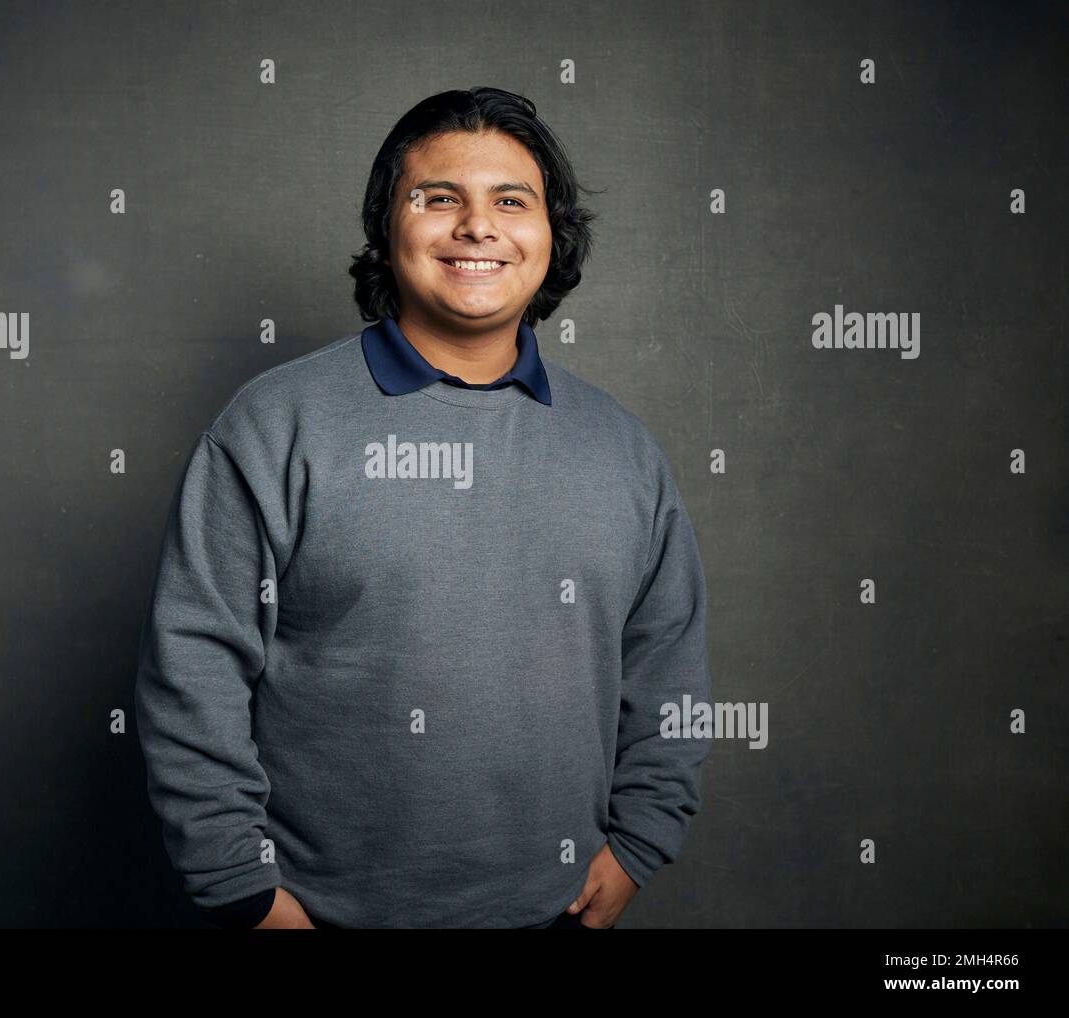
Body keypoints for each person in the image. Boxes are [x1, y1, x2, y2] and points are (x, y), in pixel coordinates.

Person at [134, 86, 713, 930]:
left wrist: (640, 842)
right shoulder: (272, 425)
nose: (478, 226)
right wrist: (241, 888)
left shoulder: (620, 447)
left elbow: (669, 664)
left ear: (552, 235)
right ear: (387, 228)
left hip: (553, 912)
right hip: (314, 916)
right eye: (440, 198)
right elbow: (193, 666)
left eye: (510, 201)